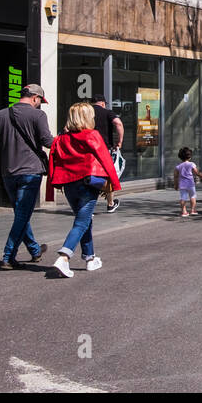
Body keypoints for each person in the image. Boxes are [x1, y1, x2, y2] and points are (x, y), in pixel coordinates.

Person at [46, 101, 121, 277]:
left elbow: (54, 160)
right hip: (88, 183)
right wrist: (112, 183)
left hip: (68, 184)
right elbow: (105, 159)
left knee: (84, 220)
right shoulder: (92, 135)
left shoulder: (61, 138)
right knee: (81, 222)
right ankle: (64, 257)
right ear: (88, 117)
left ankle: (90, 258)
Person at [0, 84, 54, 270]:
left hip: (9, 173)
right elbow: (47, 141)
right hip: (31, 172)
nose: (39, 105)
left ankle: (35, 250)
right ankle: (8, 256)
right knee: (22, 215)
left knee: (21, 214)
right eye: (40, 102)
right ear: (35, 98)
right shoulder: (38, 115)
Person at [89, 95, 125, 214]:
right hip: (104, 149)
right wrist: (119, 141)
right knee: (109, 175)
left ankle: (89, 207)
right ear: (103, 103)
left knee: (89, 175)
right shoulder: (108, 112)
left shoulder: (86, 112)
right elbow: (118, 124)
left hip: (88, 149)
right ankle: (110, 204)